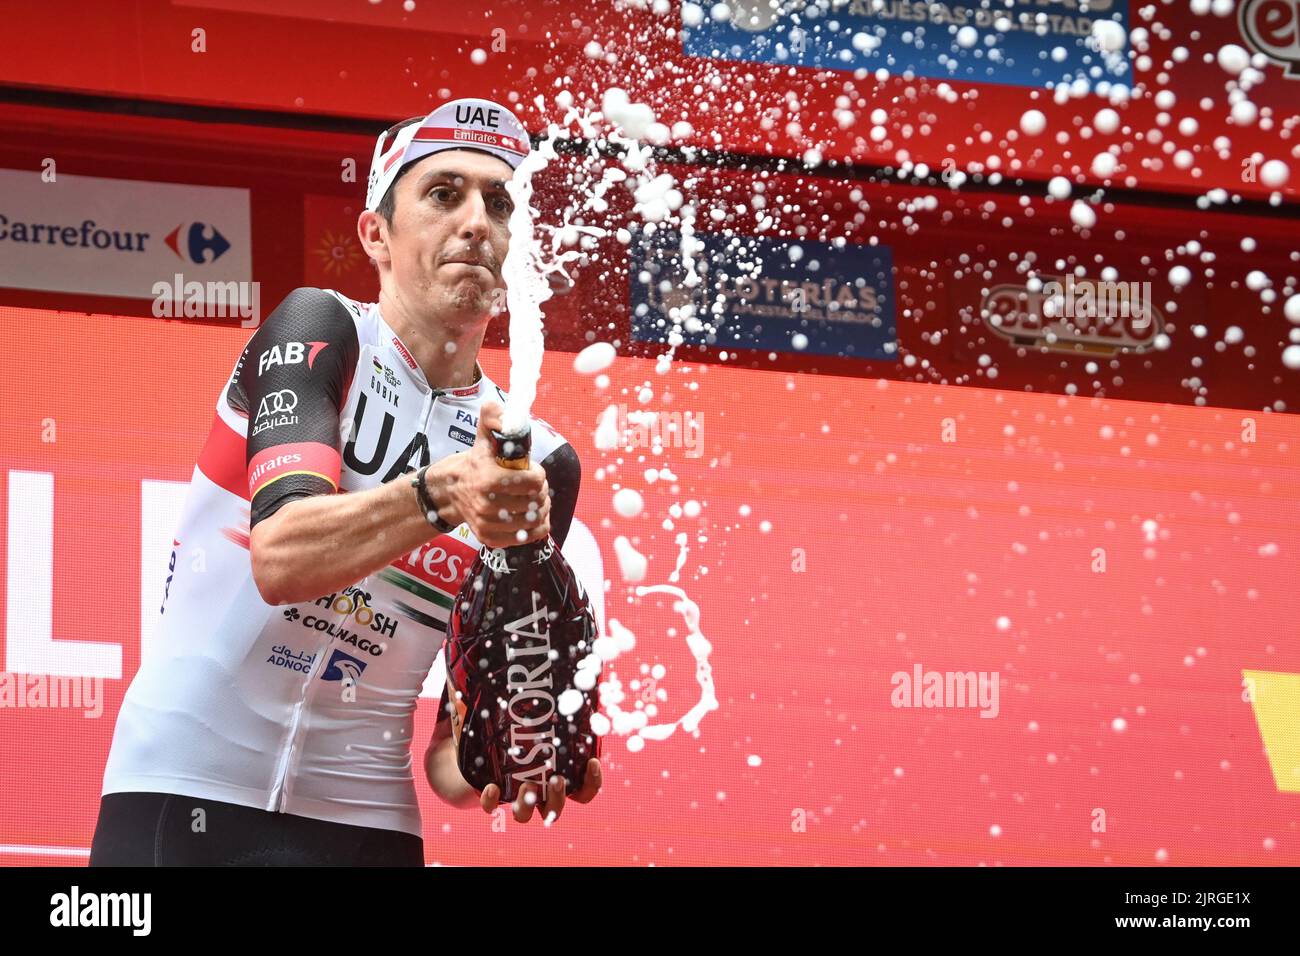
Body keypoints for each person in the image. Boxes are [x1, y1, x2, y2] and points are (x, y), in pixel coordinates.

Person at [89, 98, 601, 866]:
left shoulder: (543, 461)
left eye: (499, 204)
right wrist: (441, 493)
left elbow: (449, 766)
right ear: (376, 235)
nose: (475, 222)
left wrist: (515, 752)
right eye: (442, 193)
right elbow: (283, 559)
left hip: (366, 825)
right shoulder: (320, 329)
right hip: (182, 789)